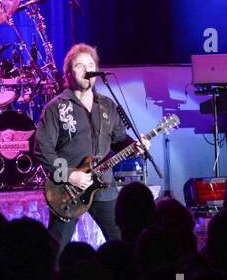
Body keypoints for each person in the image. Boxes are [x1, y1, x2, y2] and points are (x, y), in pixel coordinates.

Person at [35, 43, 149, 250]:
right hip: (67, 191)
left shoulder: (107, 105)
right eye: (80, 66)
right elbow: (42, 150)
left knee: (122, 241)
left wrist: (136, 145)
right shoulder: (55, 108)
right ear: (68, 73)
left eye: (91, 64)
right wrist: (69, 175)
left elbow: (119, 138)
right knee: (56, 249)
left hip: (104, 186)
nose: (87, 69)